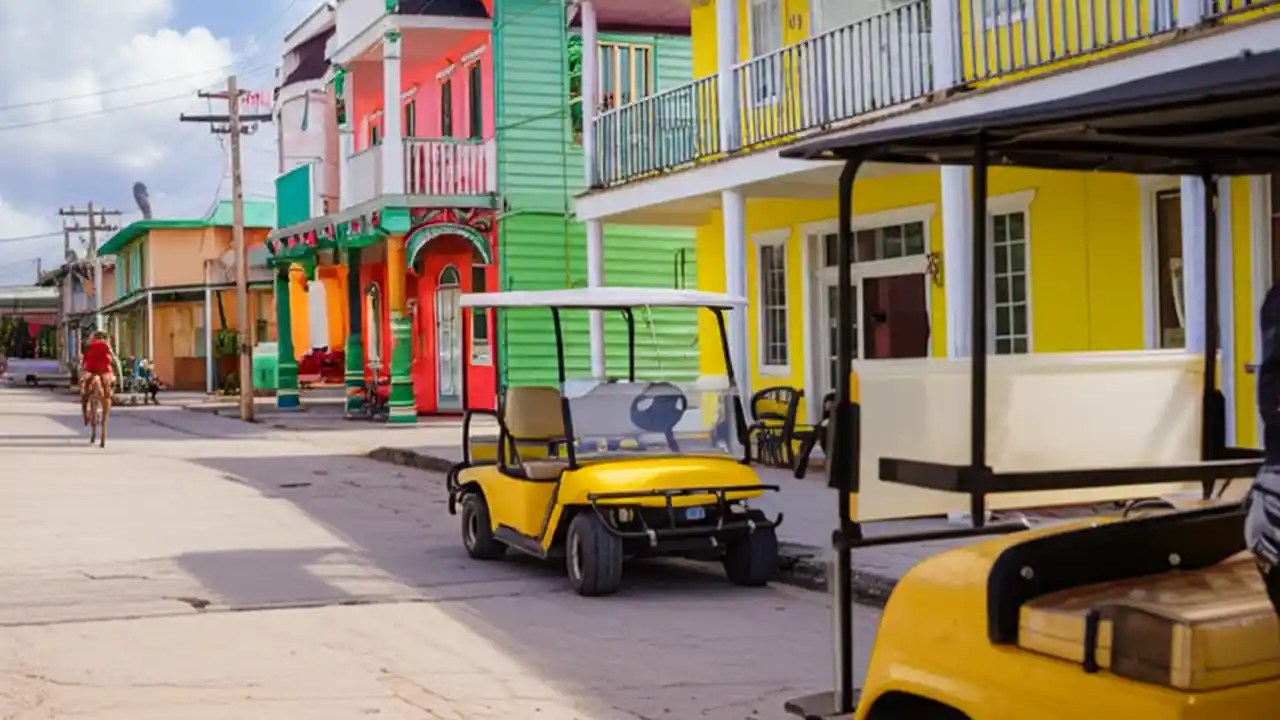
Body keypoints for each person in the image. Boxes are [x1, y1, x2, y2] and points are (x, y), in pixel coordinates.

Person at [80, 331, 116, 425]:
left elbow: (85, 361)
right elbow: (111, 359)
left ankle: (85, 414)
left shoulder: (90, 345)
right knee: (108, 390)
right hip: (105, 371)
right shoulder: (106, 345)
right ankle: (109, 395)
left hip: (91, 370)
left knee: (85, 392)